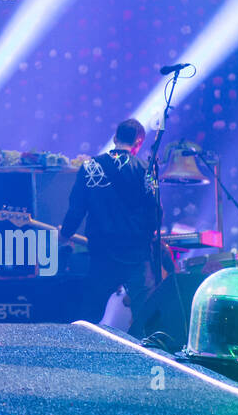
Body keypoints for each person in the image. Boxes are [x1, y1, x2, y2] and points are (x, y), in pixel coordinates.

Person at [59, 118, 163, 330]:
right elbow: (155, 210)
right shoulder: (146, 170)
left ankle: (82, 353)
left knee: (90, 313)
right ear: (139, 143)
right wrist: (148, 234)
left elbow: (77, 207)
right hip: (136, 254)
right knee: (145, 312)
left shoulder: (90, 167)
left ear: (115, 138)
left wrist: (66, 233)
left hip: (103, 252)